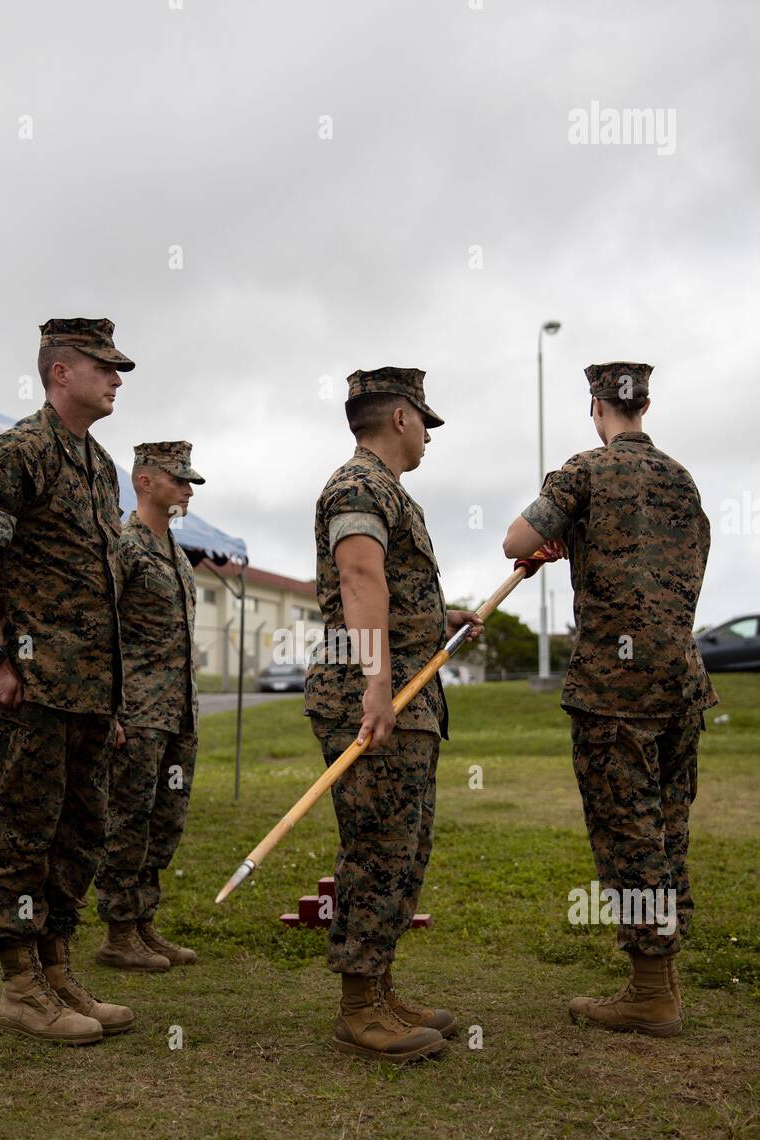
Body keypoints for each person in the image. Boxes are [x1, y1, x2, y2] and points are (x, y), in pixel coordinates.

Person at [503, 361, 717, 1037]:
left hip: (612, 689)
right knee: (667, 826)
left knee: (628, 834)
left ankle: (650, 992)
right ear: (644, 404)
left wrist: (561, 541)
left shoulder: (584, 471)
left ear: (598, 406)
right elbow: (681, 562)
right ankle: (663, 978)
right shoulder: (682, 479)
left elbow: (516, 541)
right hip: (680, 679)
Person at [0, 317, 136, 1045]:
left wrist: (114, 695)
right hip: (33, 685)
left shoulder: (98, 464)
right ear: (60, 371)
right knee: (24, 834)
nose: (116, 379)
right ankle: (20, 981)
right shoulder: (16, 452)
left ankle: (57, 966)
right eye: (104, 367)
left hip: (90, 692)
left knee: (79, 833)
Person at [304, 366, 483, 1063]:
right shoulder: (358, 486)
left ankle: (380, 988)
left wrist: (443, 619)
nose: (429, 437)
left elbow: (391, 591)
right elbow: (358, 579)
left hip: (408, 696)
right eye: (425, 423)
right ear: (402, 418)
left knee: (404, 850)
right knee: (377, 850)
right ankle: (358, 1010)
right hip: (373, 698)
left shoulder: (386, 490)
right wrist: (376, 683)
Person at [95, 441, 201, 971]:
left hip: (178, 713)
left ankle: (143, 924)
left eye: (190, 482)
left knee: (166, 821)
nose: (187, 490)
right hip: (137, 713)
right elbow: (101, 628)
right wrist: (109, 708)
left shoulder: (176, 552)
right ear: (144, 481)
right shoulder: (125, 545)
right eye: (180, 480)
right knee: (128, 819)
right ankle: (117, 932)